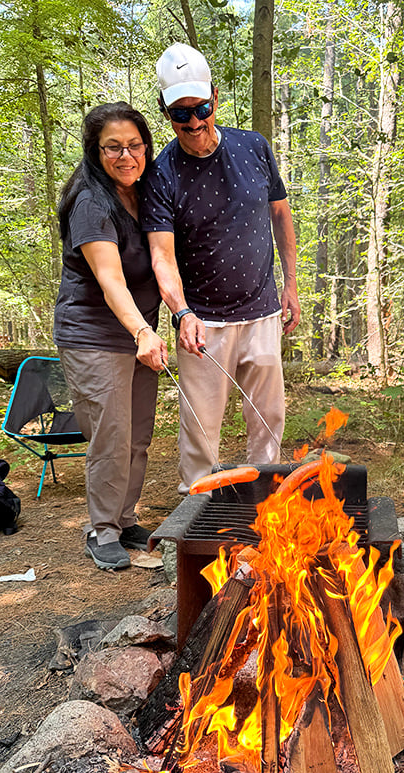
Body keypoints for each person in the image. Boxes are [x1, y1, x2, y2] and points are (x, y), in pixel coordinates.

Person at [141, 43, 300, 494]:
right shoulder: (161, 174)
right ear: (165, 112)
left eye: (202, 108)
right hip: (203, 324)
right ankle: (196, 519)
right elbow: (162, 256)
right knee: (200, 433)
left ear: (215, 96)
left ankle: (267, 503)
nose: (194, 123)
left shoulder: (254, 147)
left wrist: (291, 285)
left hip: (263, 311)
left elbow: (281, 215)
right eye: (181, 114)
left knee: (269, 420)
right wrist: (181, 312)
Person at [54, 102, 167, 571]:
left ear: (146, 146)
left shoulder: (144, 193)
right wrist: (142, 330)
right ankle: (100, 529)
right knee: (112, 435)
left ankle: (123, 518)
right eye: (113, 147)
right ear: (96, 152)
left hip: (139, 334)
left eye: (134, 145)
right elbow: (111, 279)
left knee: (138, 434)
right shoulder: (90, 203)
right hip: (94, 336)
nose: (126, 156)